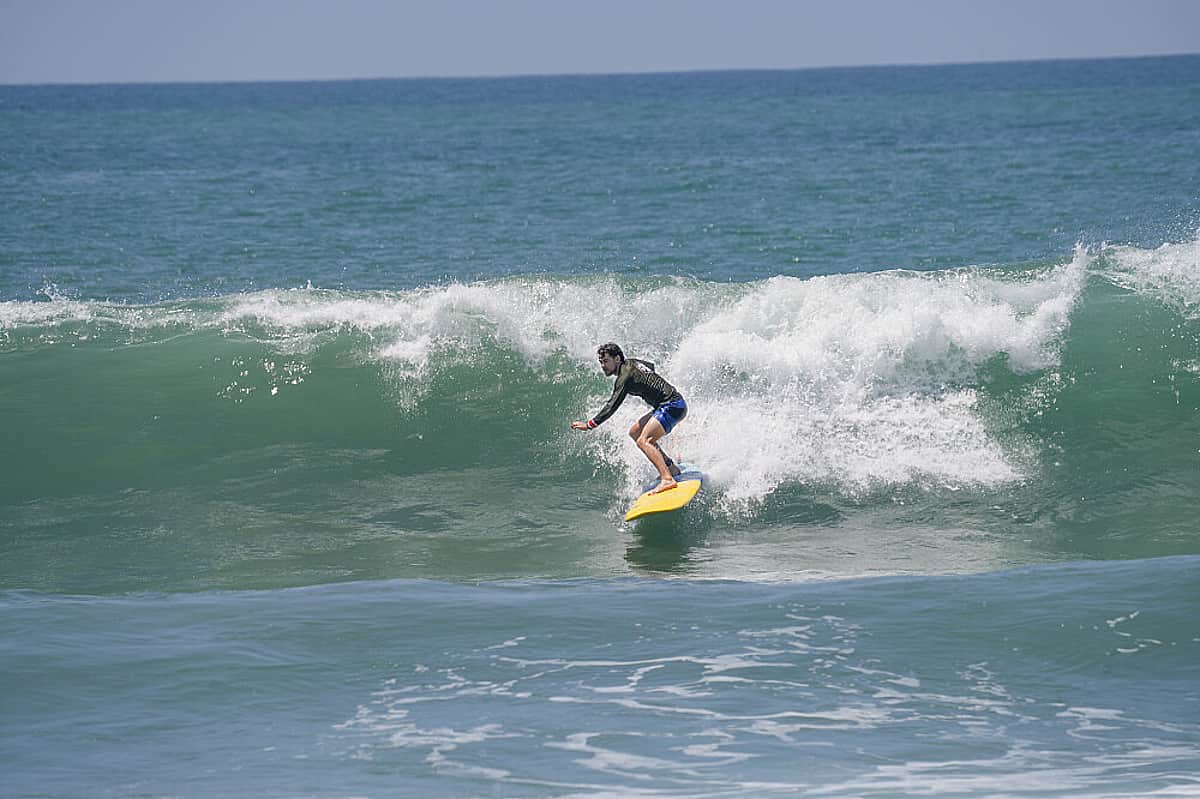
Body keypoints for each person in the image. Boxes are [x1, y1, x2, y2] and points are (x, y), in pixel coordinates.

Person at [572, 342, 688, 494]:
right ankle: (671, 468)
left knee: (643, 441)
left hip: (672, 406)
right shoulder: (632, 363)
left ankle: (667, 479)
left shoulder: (624, 377)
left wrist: (589, 425)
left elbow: (612, 405)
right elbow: (650, 367)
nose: (603, 366)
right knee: (635, 432)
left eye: (606, 361)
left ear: (618, 359)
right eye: (601, 362)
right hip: (666, 405)